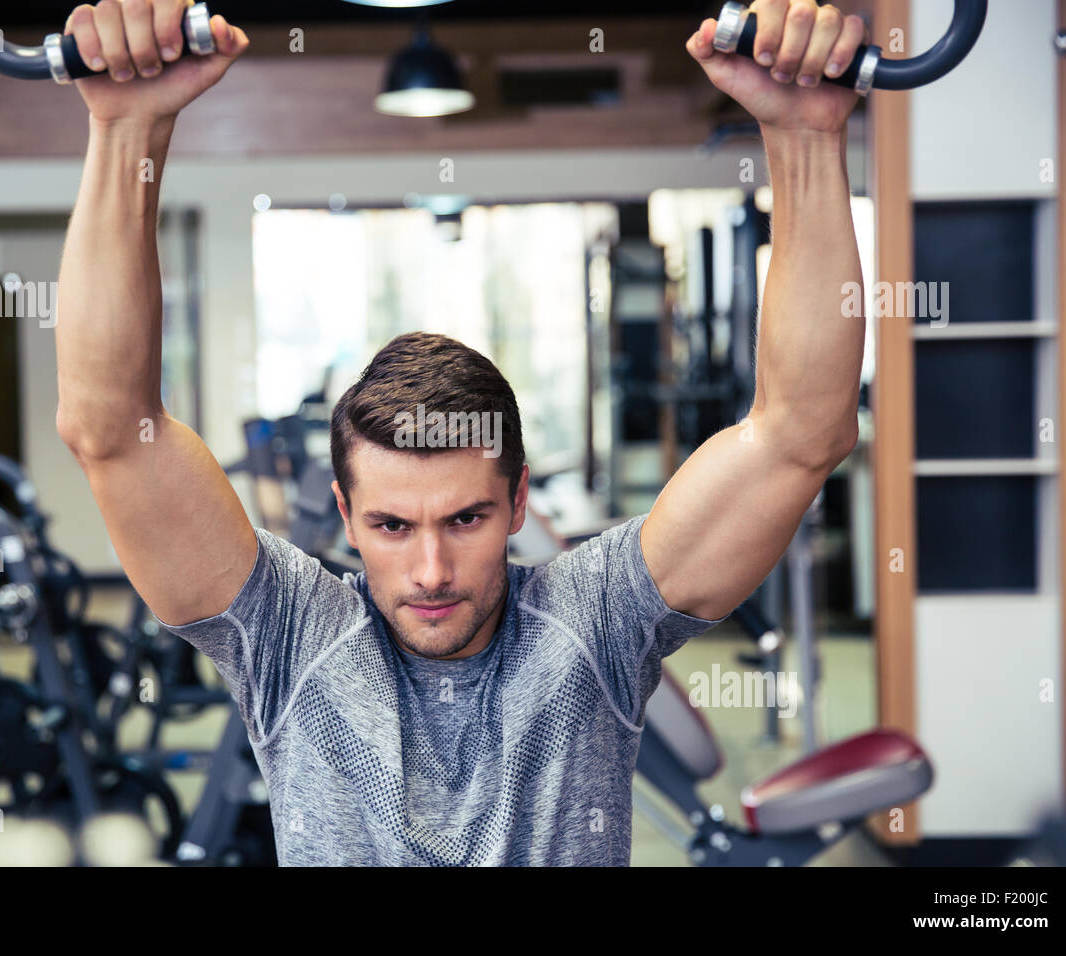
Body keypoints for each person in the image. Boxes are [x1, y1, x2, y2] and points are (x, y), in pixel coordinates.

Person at [54, 0, 867, 865]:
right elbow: (110, 428)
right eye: (392, 526)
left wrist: (808, 138)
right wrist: (124, 127)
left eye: (466, 519)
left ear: (518, 500)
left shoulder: (595, 623)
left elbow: (801, 433)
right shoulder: (289, 634)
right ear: (344, 509)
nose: (432, 572)